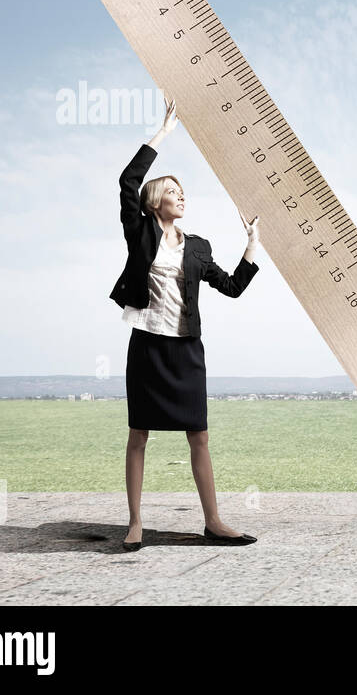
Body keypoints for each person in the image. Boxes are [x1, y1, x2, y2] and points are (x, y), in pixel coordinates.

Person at [112, 96, 262, 551]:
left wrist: (252, 243)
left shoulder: (198, 247)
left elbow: (233, 286)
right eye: (175, 192)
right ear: (157, 201)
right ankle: (135, 522)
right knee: (139, 433)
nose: (183, 197)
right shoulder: (140, 231)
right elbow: (127, 180)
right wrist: (163, 134)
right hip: (148, 345)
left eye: (184, 193)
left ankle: (213, 520)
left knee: (199, 434)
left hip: (186, 350)